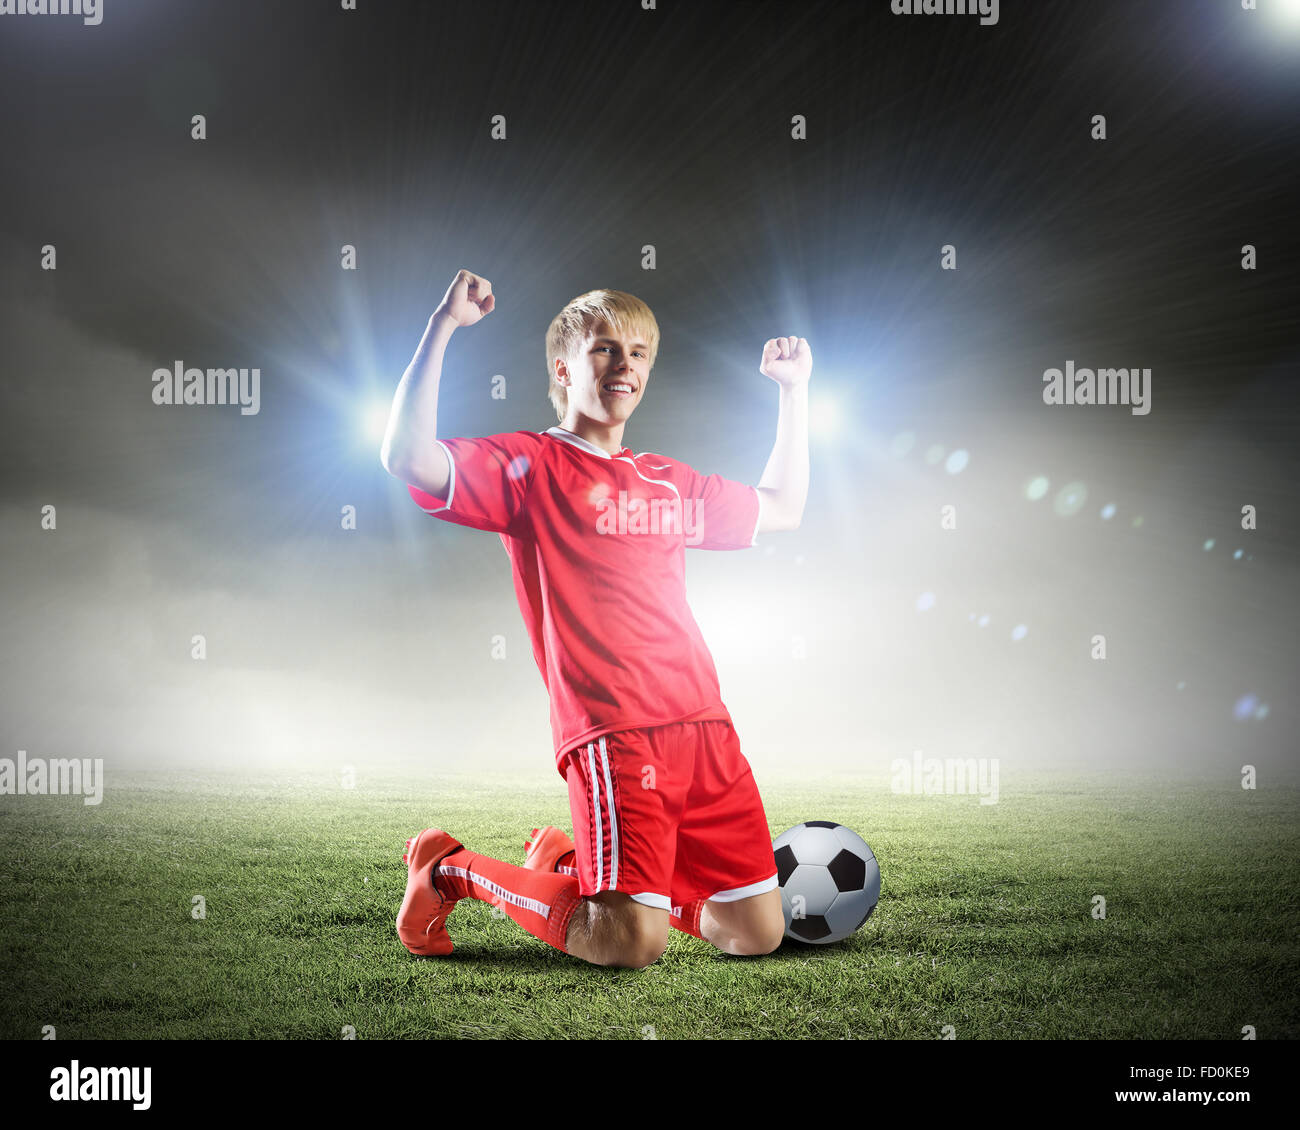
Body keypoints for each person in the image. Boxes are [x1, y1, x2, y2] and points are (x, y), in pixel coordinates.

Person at [381, 268, 810, 968]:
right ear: (564, 366)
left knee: (755, 933)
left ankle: (573, 863)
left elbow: (784, 508)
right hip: (617, 734)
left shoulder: (667, 480)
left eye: (639, 352)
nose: (625, 365)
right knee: (631, 946)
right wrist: (443, 326)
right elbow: (407, 457)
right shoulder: (530, 466)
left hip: (704, 726)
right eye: (606, 348)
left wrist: (794, 393)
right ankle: (448, 868)